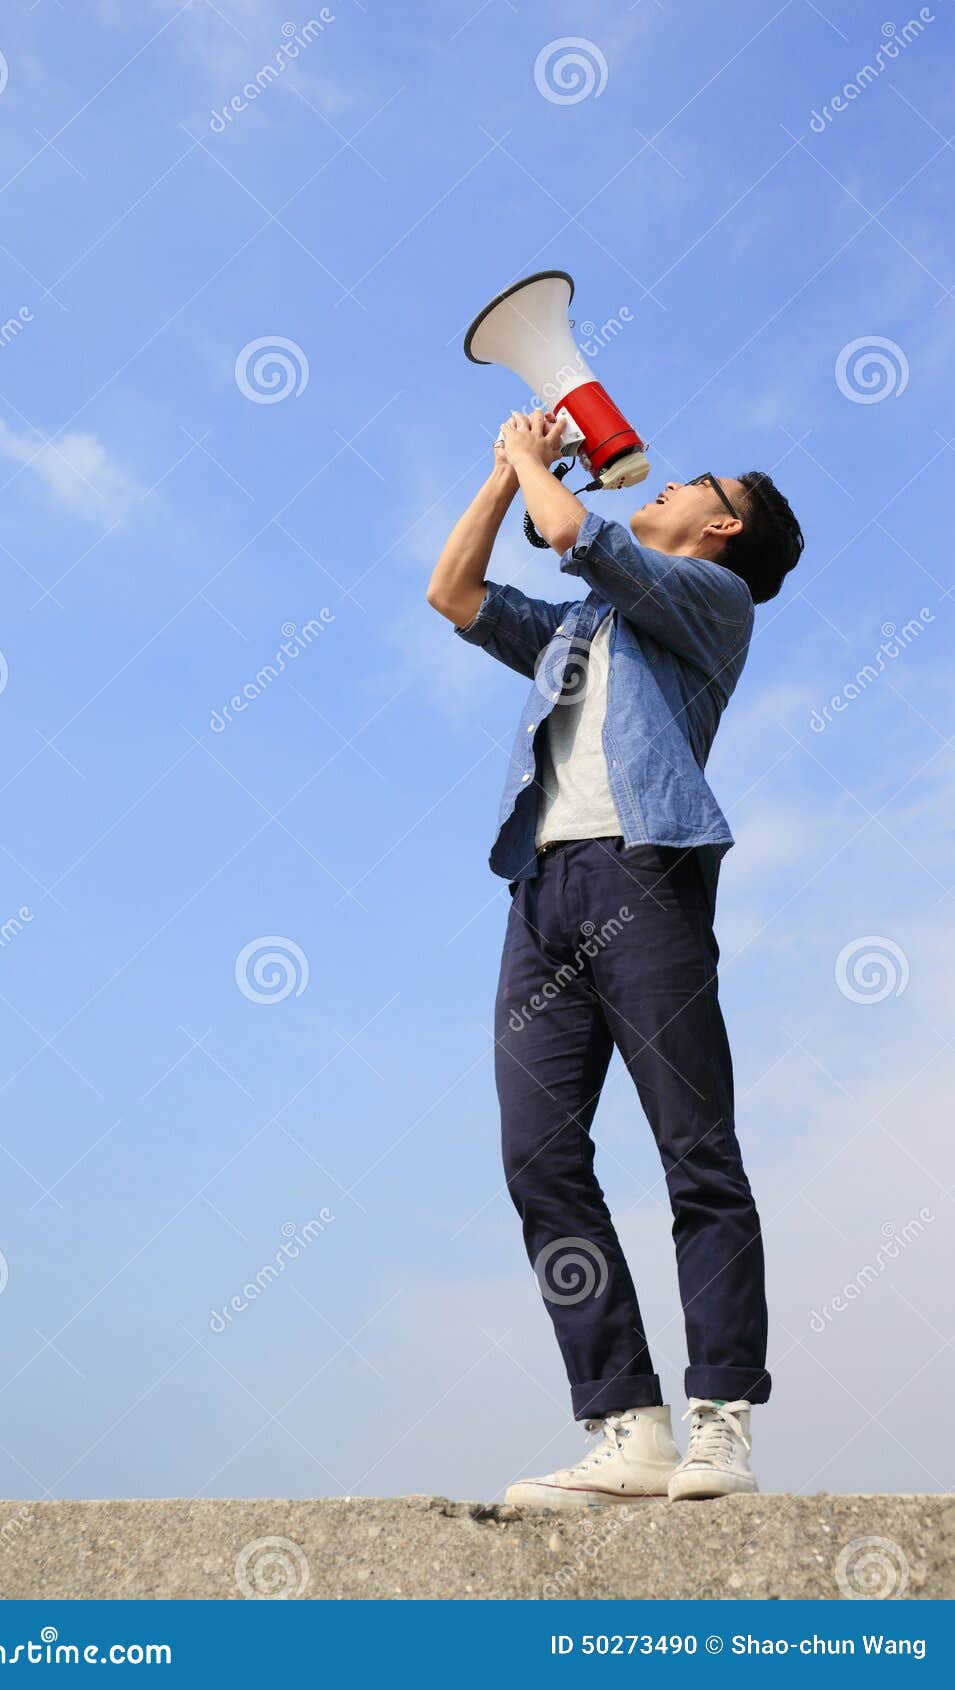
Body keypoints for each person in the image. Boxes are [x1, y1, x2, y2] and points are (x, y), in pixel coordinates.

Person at [427, 408, 804, 1507]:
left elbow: (582, 537)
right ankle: (628, 1425)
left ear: (721, 526)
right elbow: (451, 593)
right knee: (536, 1158)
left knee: (695, 1151)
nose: (664, 484)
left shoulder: (711, 602)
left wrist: (544, 477)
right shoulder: (579, 628)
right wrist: (504, 472)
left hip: (644, 876)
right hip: (540, 891)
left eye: (689, 482)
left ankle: (721, 1420)